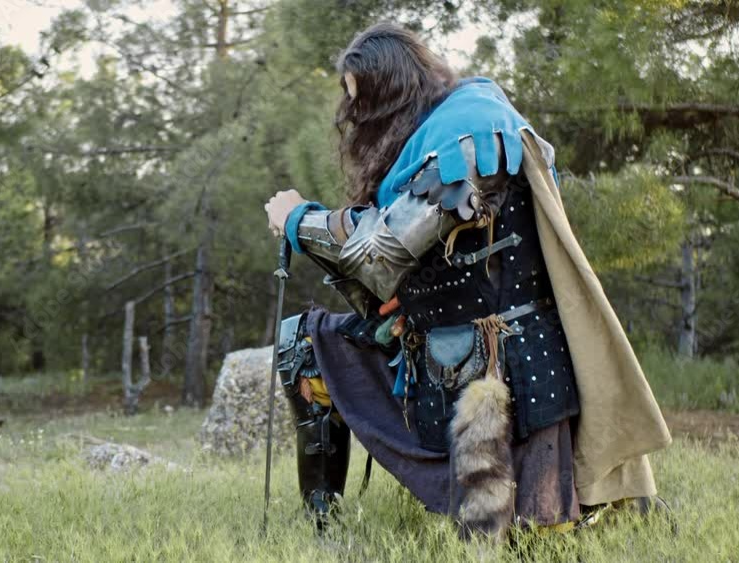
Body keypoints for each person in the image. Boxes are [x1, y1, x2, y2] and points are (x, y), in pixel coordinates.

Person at [265, 23, 671, 540]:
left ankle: (564, 511)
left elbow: (382, 250)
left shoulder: (472, 135)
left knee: (529, 535)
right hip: (438, 351)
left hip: (502, 368)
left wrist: (298, 219)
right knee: (304, 342)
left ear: (391, 92)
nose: (354, 116)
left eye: (361, 101)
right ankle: (323, 530)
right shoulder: (437, 138)